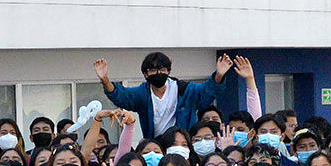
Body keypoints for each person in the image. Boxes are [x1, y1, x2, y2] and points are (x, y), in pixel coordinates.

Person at [96, 52, 232, 138]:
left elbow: (207, 92)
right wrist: (105, 80)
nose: (159, 73)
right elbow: (121, 96)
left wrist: (219, 75)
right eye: (153, 70)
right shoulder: (142, 94)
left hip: (183, 144)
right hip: (156, 146)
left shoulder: (184, 90)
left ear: (168, 71)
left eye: (162, 69)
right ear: (145, 74)